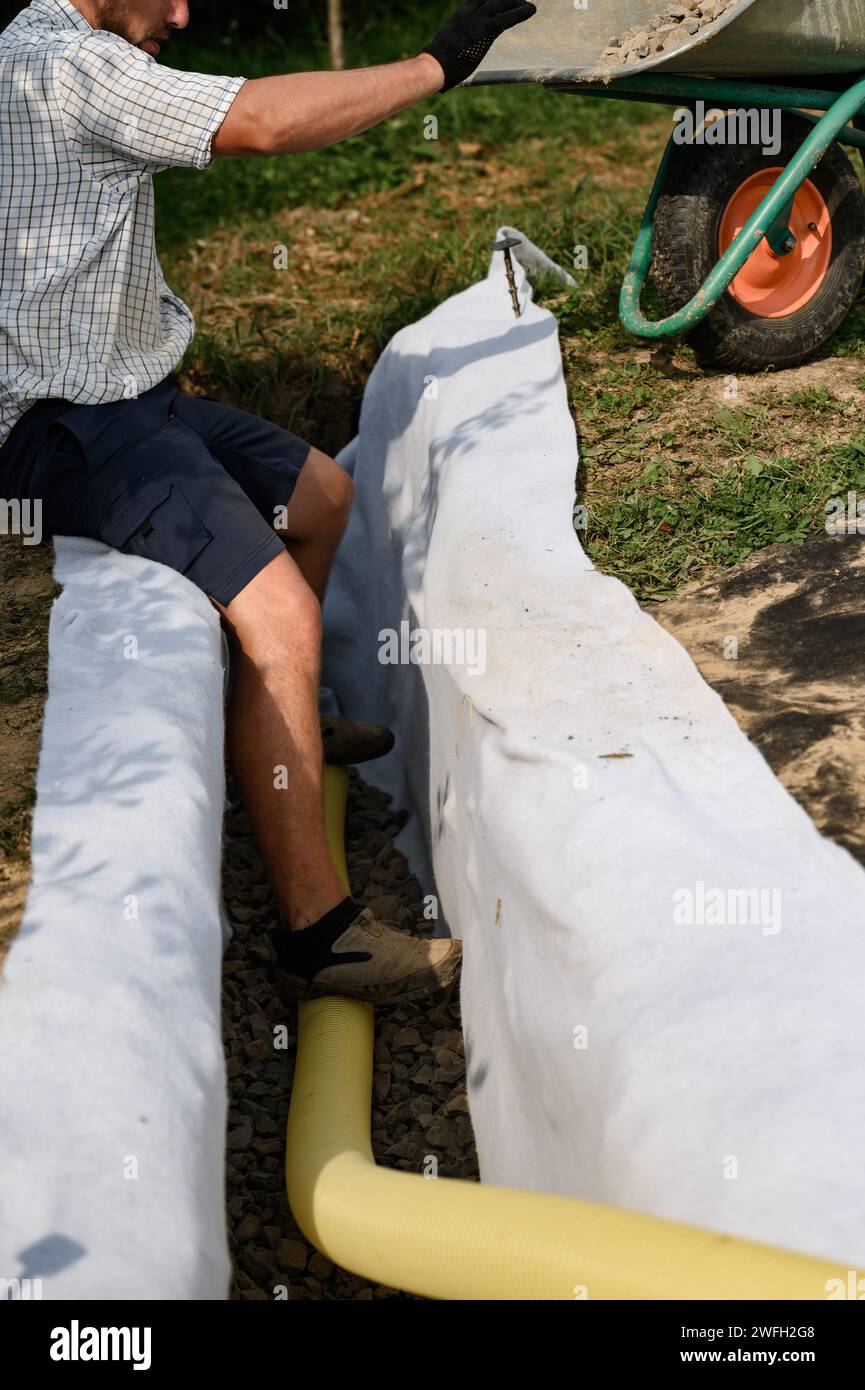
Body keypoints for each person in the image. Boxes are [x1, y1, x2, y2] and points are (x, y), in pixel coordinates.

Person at [0, 0, 536, 1004]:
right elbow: (264, 121)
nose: (183, 11)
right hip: (71, 428)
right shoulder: (64, 66)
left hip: (130, 396)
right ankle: (315, 936)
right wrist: (432, 68)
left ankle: (284, 734)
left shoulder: (66, 57)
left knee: (320, 495)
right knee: (280, 620)